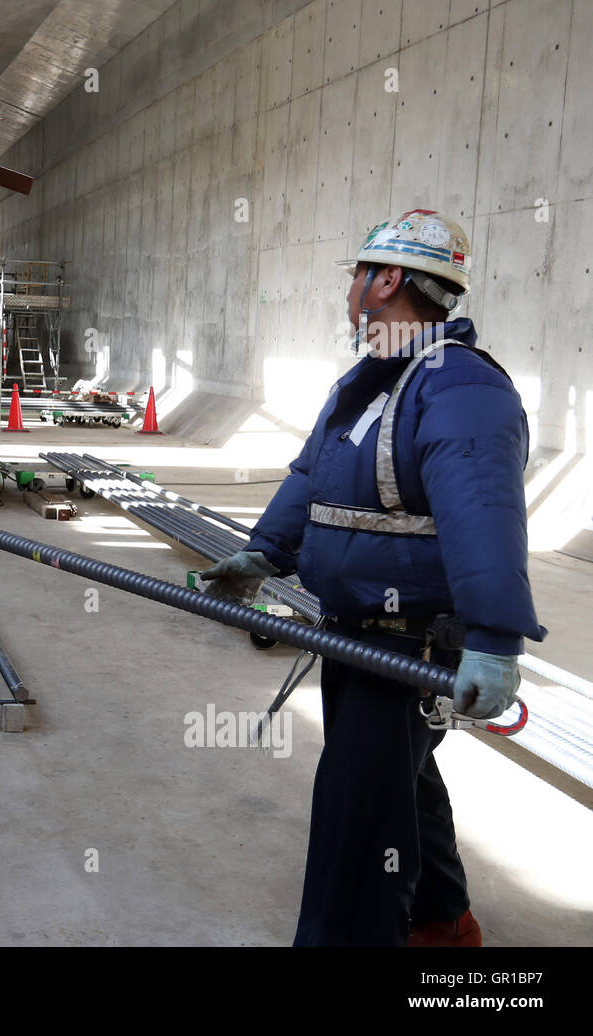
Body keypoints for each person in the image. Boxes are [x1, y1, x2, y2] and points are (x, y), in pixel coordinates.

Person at [200, 210, 545, 947]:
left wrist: (493, 636)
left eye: (357, 275)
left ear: (387, 280)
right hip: (358, 633)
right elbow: (314, 478)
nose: (348, 292)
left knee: (358, 821)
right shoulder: (369, 383)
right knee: (402, 784)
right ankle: (444, 921)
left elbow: (484, 514)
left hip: (410, 645)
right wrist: (263, 554)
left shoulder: (461, 388)